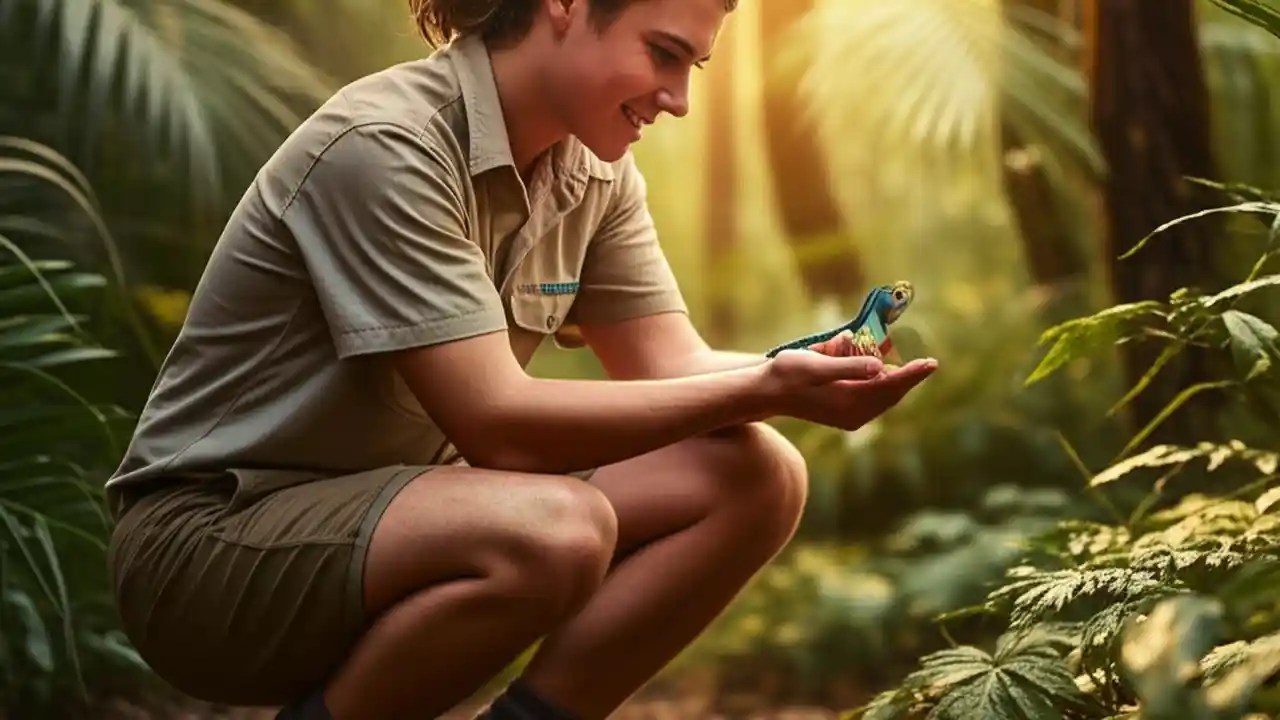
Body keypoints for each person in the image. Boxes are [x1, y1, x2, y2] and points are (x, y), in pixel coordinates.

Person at [104, 0, 938, 718]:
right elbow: (499, 425)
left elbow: (673, 365)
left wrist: (804, 370)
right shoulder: (388, 146)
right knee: (555, 533)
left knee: (758, 475)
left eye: (696, 67)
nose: (681, 100)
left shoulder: (593, 175)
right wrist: (765, 384)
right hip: (210, 551)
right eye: (663, 54)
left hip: (391, 525)